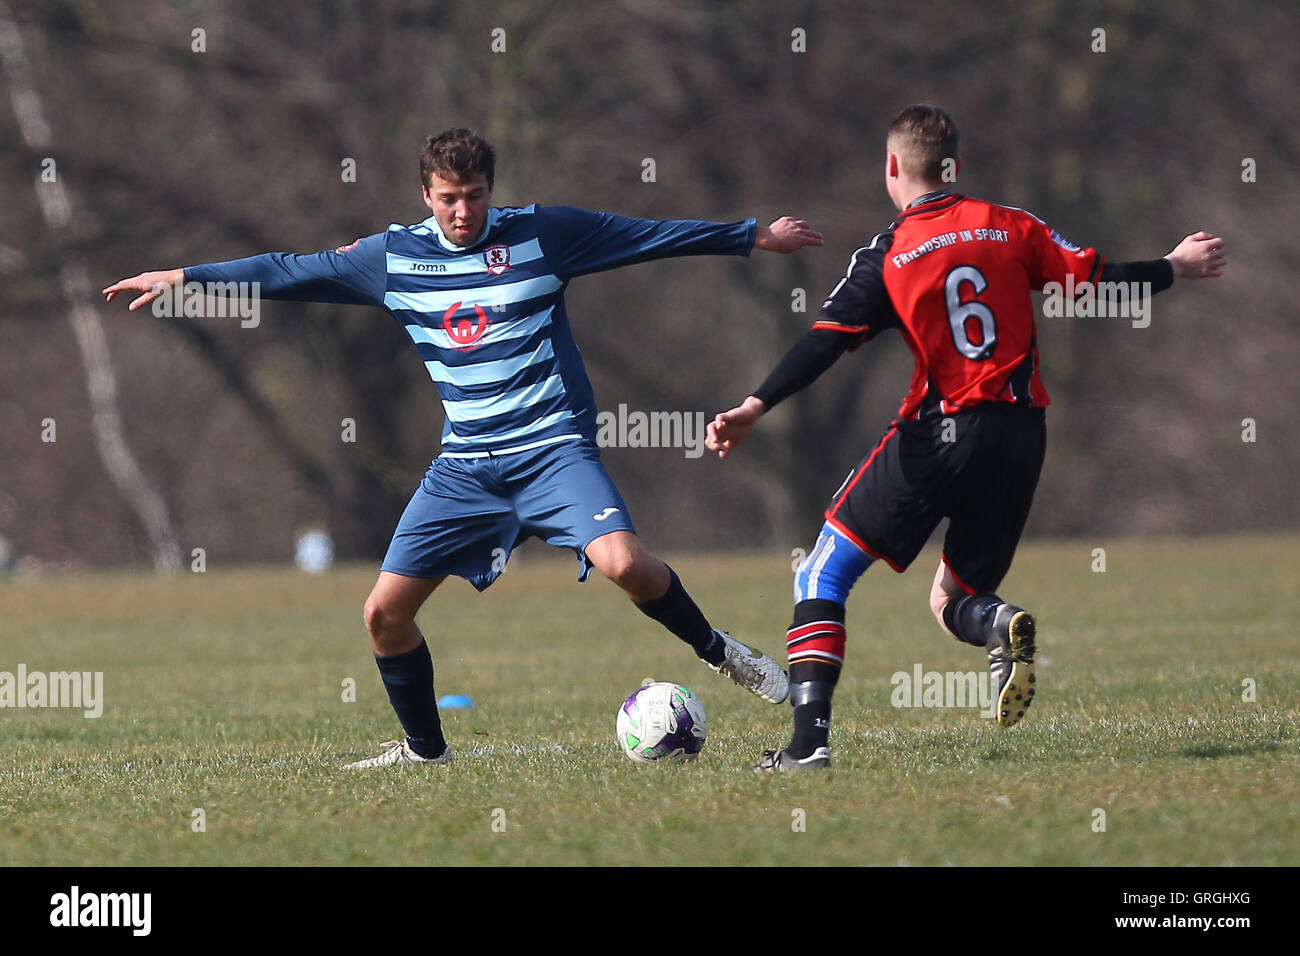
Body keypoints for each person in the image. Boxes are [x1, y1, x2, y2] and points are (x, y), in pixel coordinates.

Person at [104, 128, 824, 768]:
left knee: (626, 564)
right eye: (448, 198)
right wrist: (185, 280)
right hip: (466, 470)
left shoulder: (545, 234)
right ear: (426, 194)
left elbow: (644, 235)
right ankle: (425, 751)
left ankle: (721, 653)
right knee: (383, 615)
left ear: (490, 191)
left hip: (553, 452)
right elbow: (289, 272)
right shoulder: (392, 258)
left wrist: (750, 235)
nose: (463, 211)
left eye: (475, 196)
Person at [706, 105, 1226, 771]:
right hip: (1020, 435)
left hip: (939, 432)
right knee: (952, 598)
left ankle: (809, 747)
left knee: (821, 571)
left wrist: (755, 404)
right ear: (954, 166)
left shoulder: (891, 251)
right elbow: (1098, 285)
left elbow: (825, 344)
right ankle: (998, 624)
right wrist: (1173, 265)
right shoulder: (1012, 225)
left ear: (893, 167)